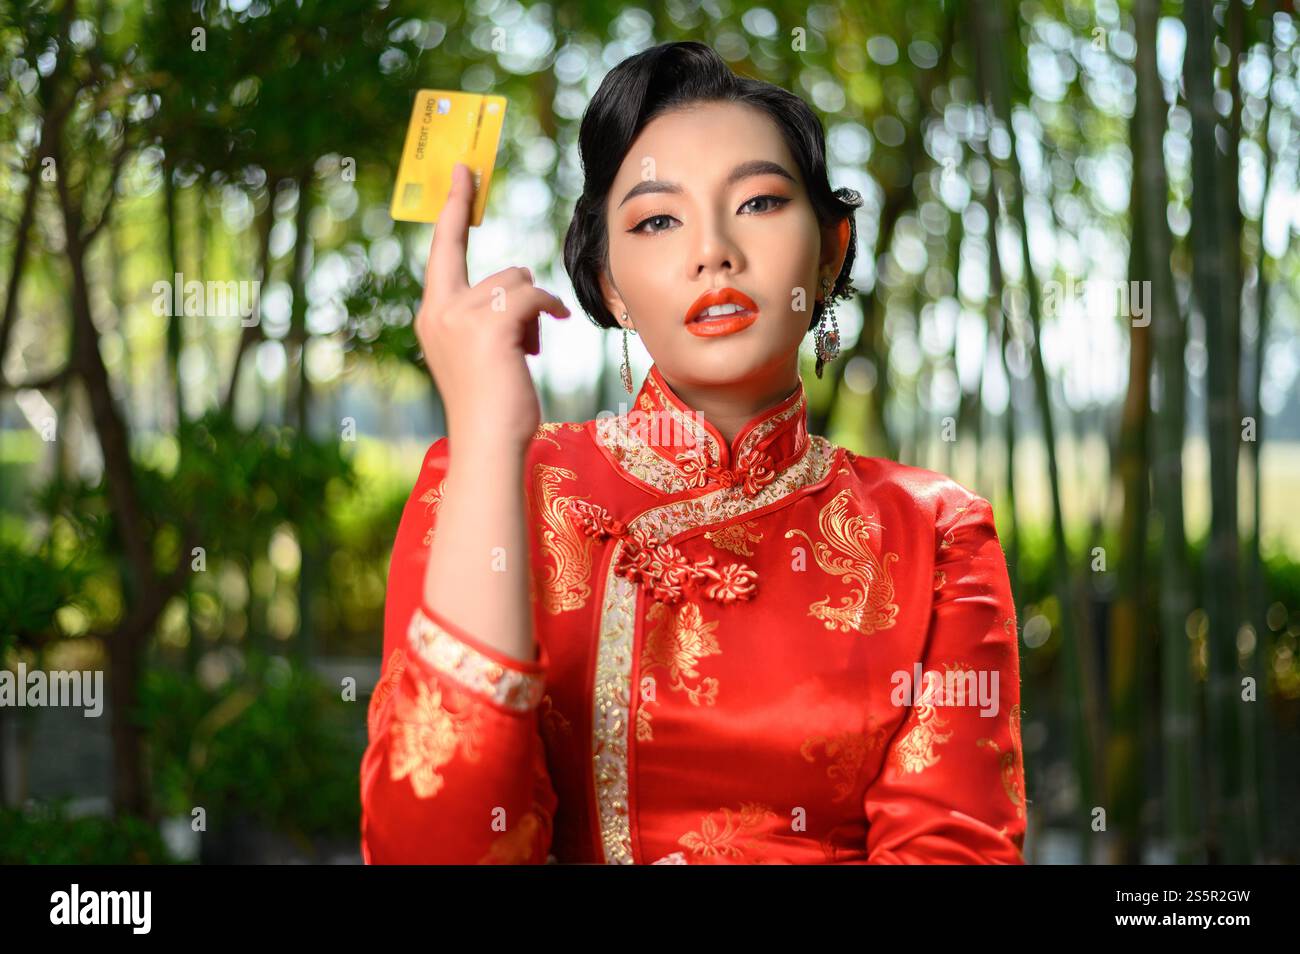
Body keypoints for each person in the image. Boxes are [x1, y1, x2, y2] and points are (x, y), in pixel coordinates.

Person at [360, 41, 1026, 864]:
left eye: (758, 203)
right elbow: (435, 847)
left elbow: (952, 850)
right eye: (658, 220)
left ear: (831, 251)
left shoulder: (933, 532)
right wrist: (488, 436)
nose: (712, 249)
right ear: (608, 284)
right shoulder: (490, 482)